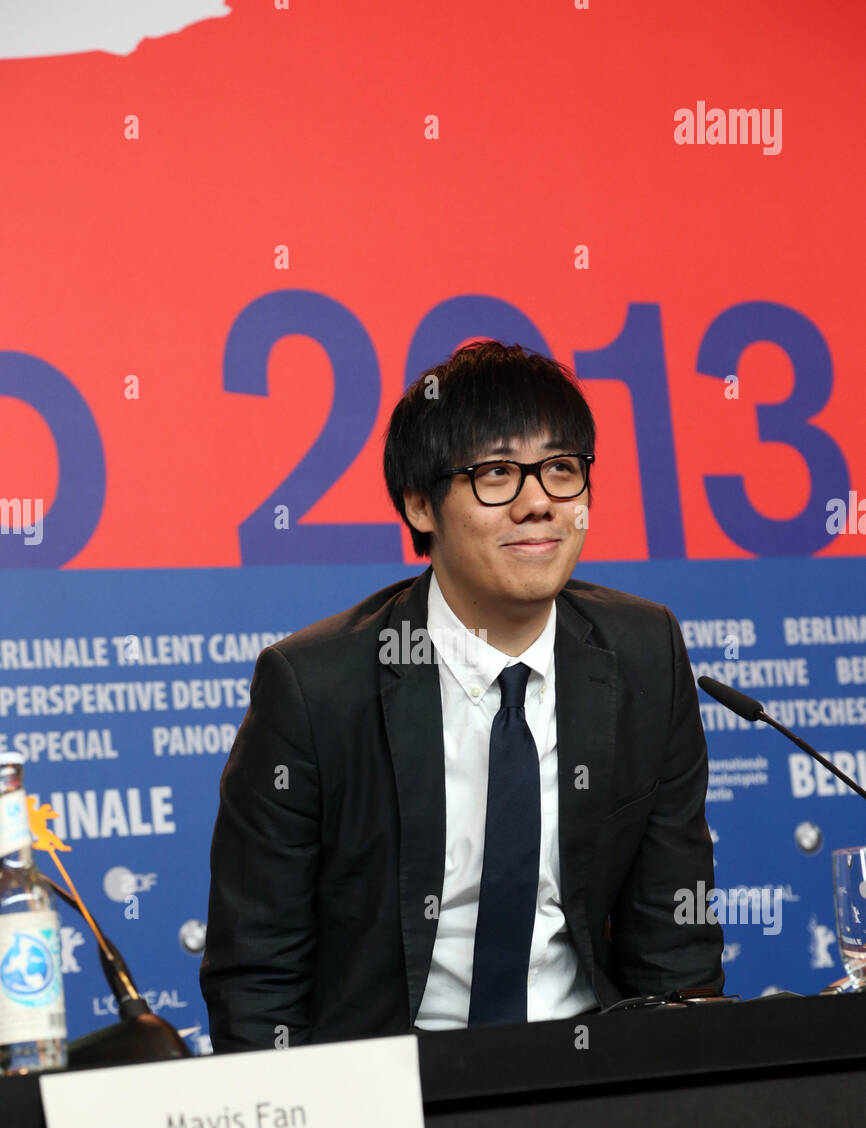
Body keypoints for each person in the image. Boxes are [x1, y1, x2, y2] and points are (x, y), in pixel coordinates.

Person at [201, 341, 723, 1050]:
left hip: (593, 1079)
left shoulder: (644, 656)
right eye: (498, 474)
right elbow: (258, 973)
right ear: (420, 505)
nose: (538, 503)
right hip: (386, 1097)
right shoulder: (317, 688)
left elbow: (673, 937)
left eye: (563, 471)